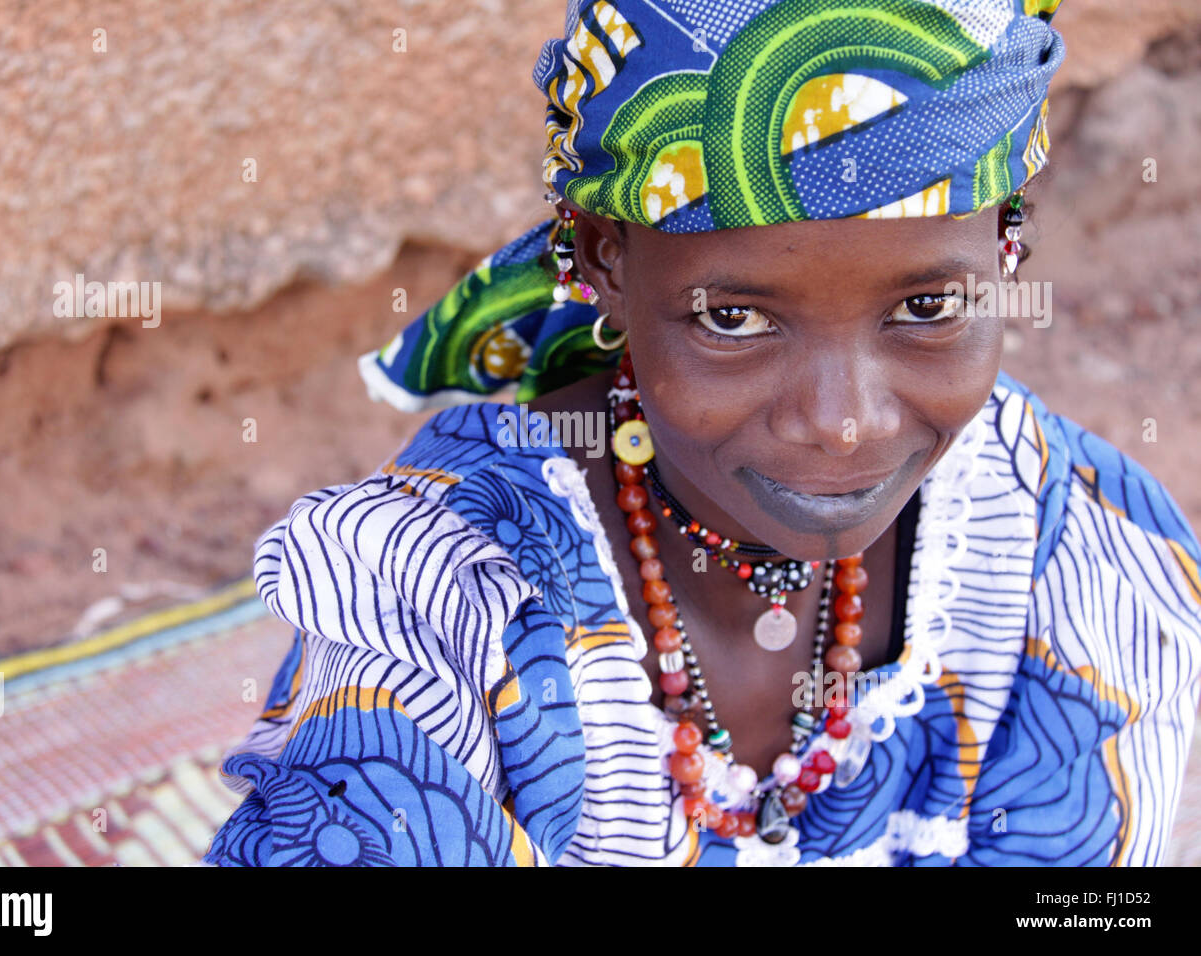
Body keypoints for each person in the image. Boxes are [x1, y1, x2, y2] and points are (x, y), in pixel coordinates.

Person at [204, 0, 1201, 866]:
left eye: (927, 307)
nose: (842, 421)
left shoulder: (1076, 554)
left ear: (1006, 242)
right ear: (604, 259)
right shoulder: (448, 603)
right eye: (734, 318)